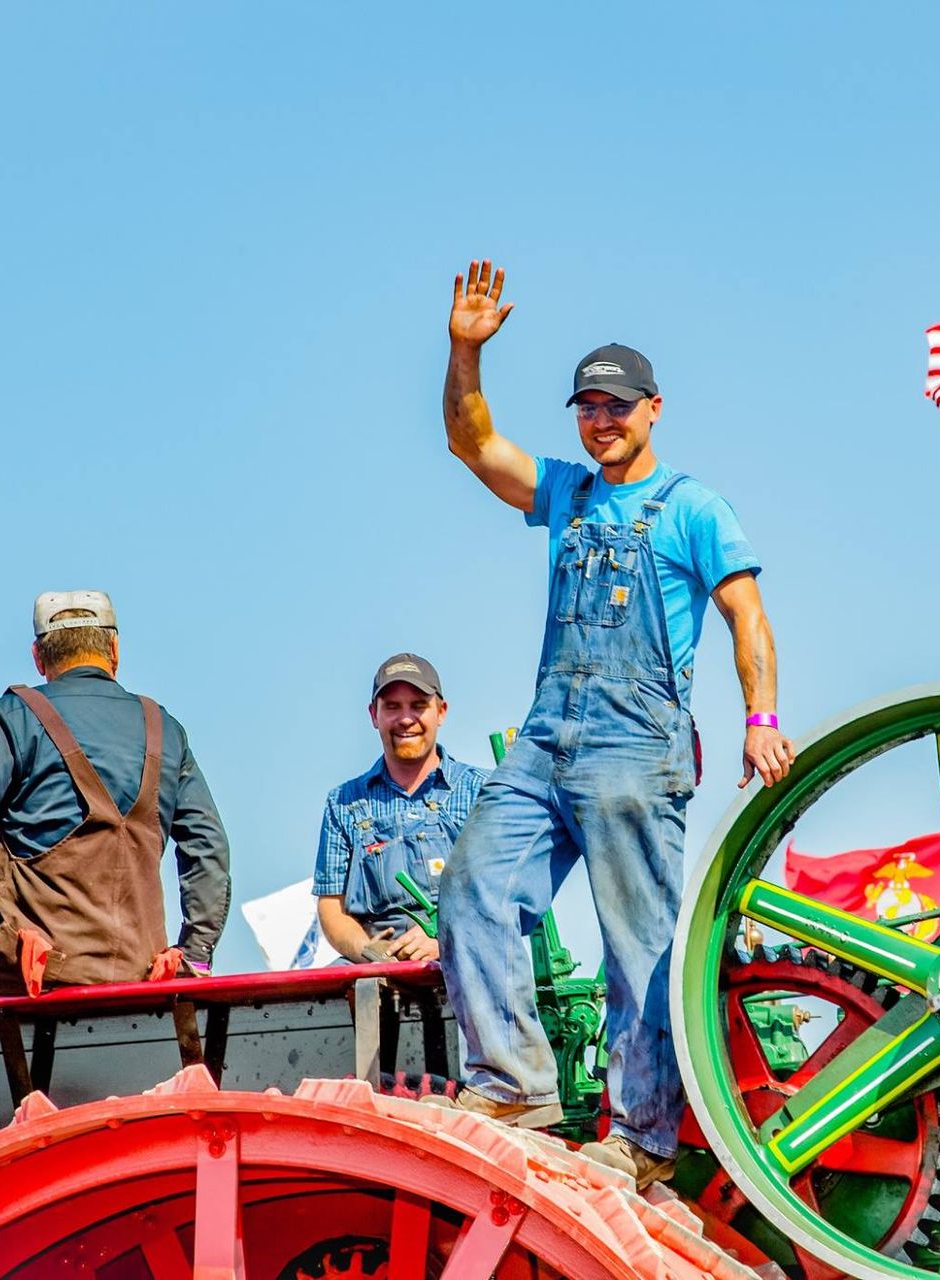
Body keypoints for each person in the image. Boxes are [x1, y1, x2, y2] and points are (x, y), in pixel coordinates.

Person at [433, 261, 797, 1188]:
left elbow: (747, 616)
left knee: (639, 944)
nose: (602, 421)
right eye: (588, 408)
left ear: (653, 410)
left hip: (636, 744)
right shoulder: (567, 493)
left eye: (618, 407)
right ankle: (510, 1082)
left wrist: (760, 716)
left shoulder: (694, 509)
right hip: (547, 736)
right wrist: (464, 351)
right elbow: (474, 443)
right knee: (473, 884)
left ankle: (643, 1136)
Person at [0, 590, 232, 1056]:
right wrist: (195, 958)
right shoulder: (164, 730)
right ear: (115, 650)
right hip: (140, 981)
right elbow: (208, 850)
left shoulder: (14, 719)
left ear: (39, 657)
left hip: (34, 977)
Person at [313, 653, 488, 963]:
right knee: (325, 987)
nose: (406, 719)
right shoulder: (343, 803)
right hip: (378, 965)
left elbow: (504, 893)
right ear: (374, 715)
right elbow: (332, 907)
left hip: (468, 952)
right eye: (392, 707)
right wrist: (369, 952)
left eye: (418, 705)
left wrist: (447, 941)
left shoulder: (481, 791)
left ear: (441, 712)